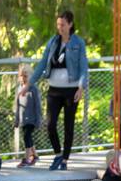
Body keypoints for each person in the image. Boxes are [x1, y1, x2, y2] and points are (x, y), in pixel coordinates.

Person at [30, 10, 88, 170]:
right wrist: (30, 82)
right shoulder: (53, 42)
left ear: (70, 24)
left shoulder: (78, 43)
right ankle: (57, 154)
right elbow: (42, 63)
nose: (60, 27)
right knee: (50, 124)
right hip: (54, 90)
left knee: (69, 126)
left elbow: (83, 66)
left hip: (71, 91)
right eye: (58, 24)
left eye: (62, 24)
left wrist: (81, 86)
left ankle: (65, 160)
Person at [14, 64, 42, 167]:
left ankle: (26, 159)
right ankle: (35, 155)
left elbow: (38, 105)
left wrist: (39, 120)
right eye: (22, 76)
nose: (23, 78)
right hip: (23, 119)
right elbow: (18, 106)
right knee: (28, 137)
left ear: (31, 76)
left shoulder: (33, 88)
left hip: (32, 119)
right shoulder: (19, 88)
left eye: (26, 76)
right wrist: (16, 120)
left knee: (26, 136)